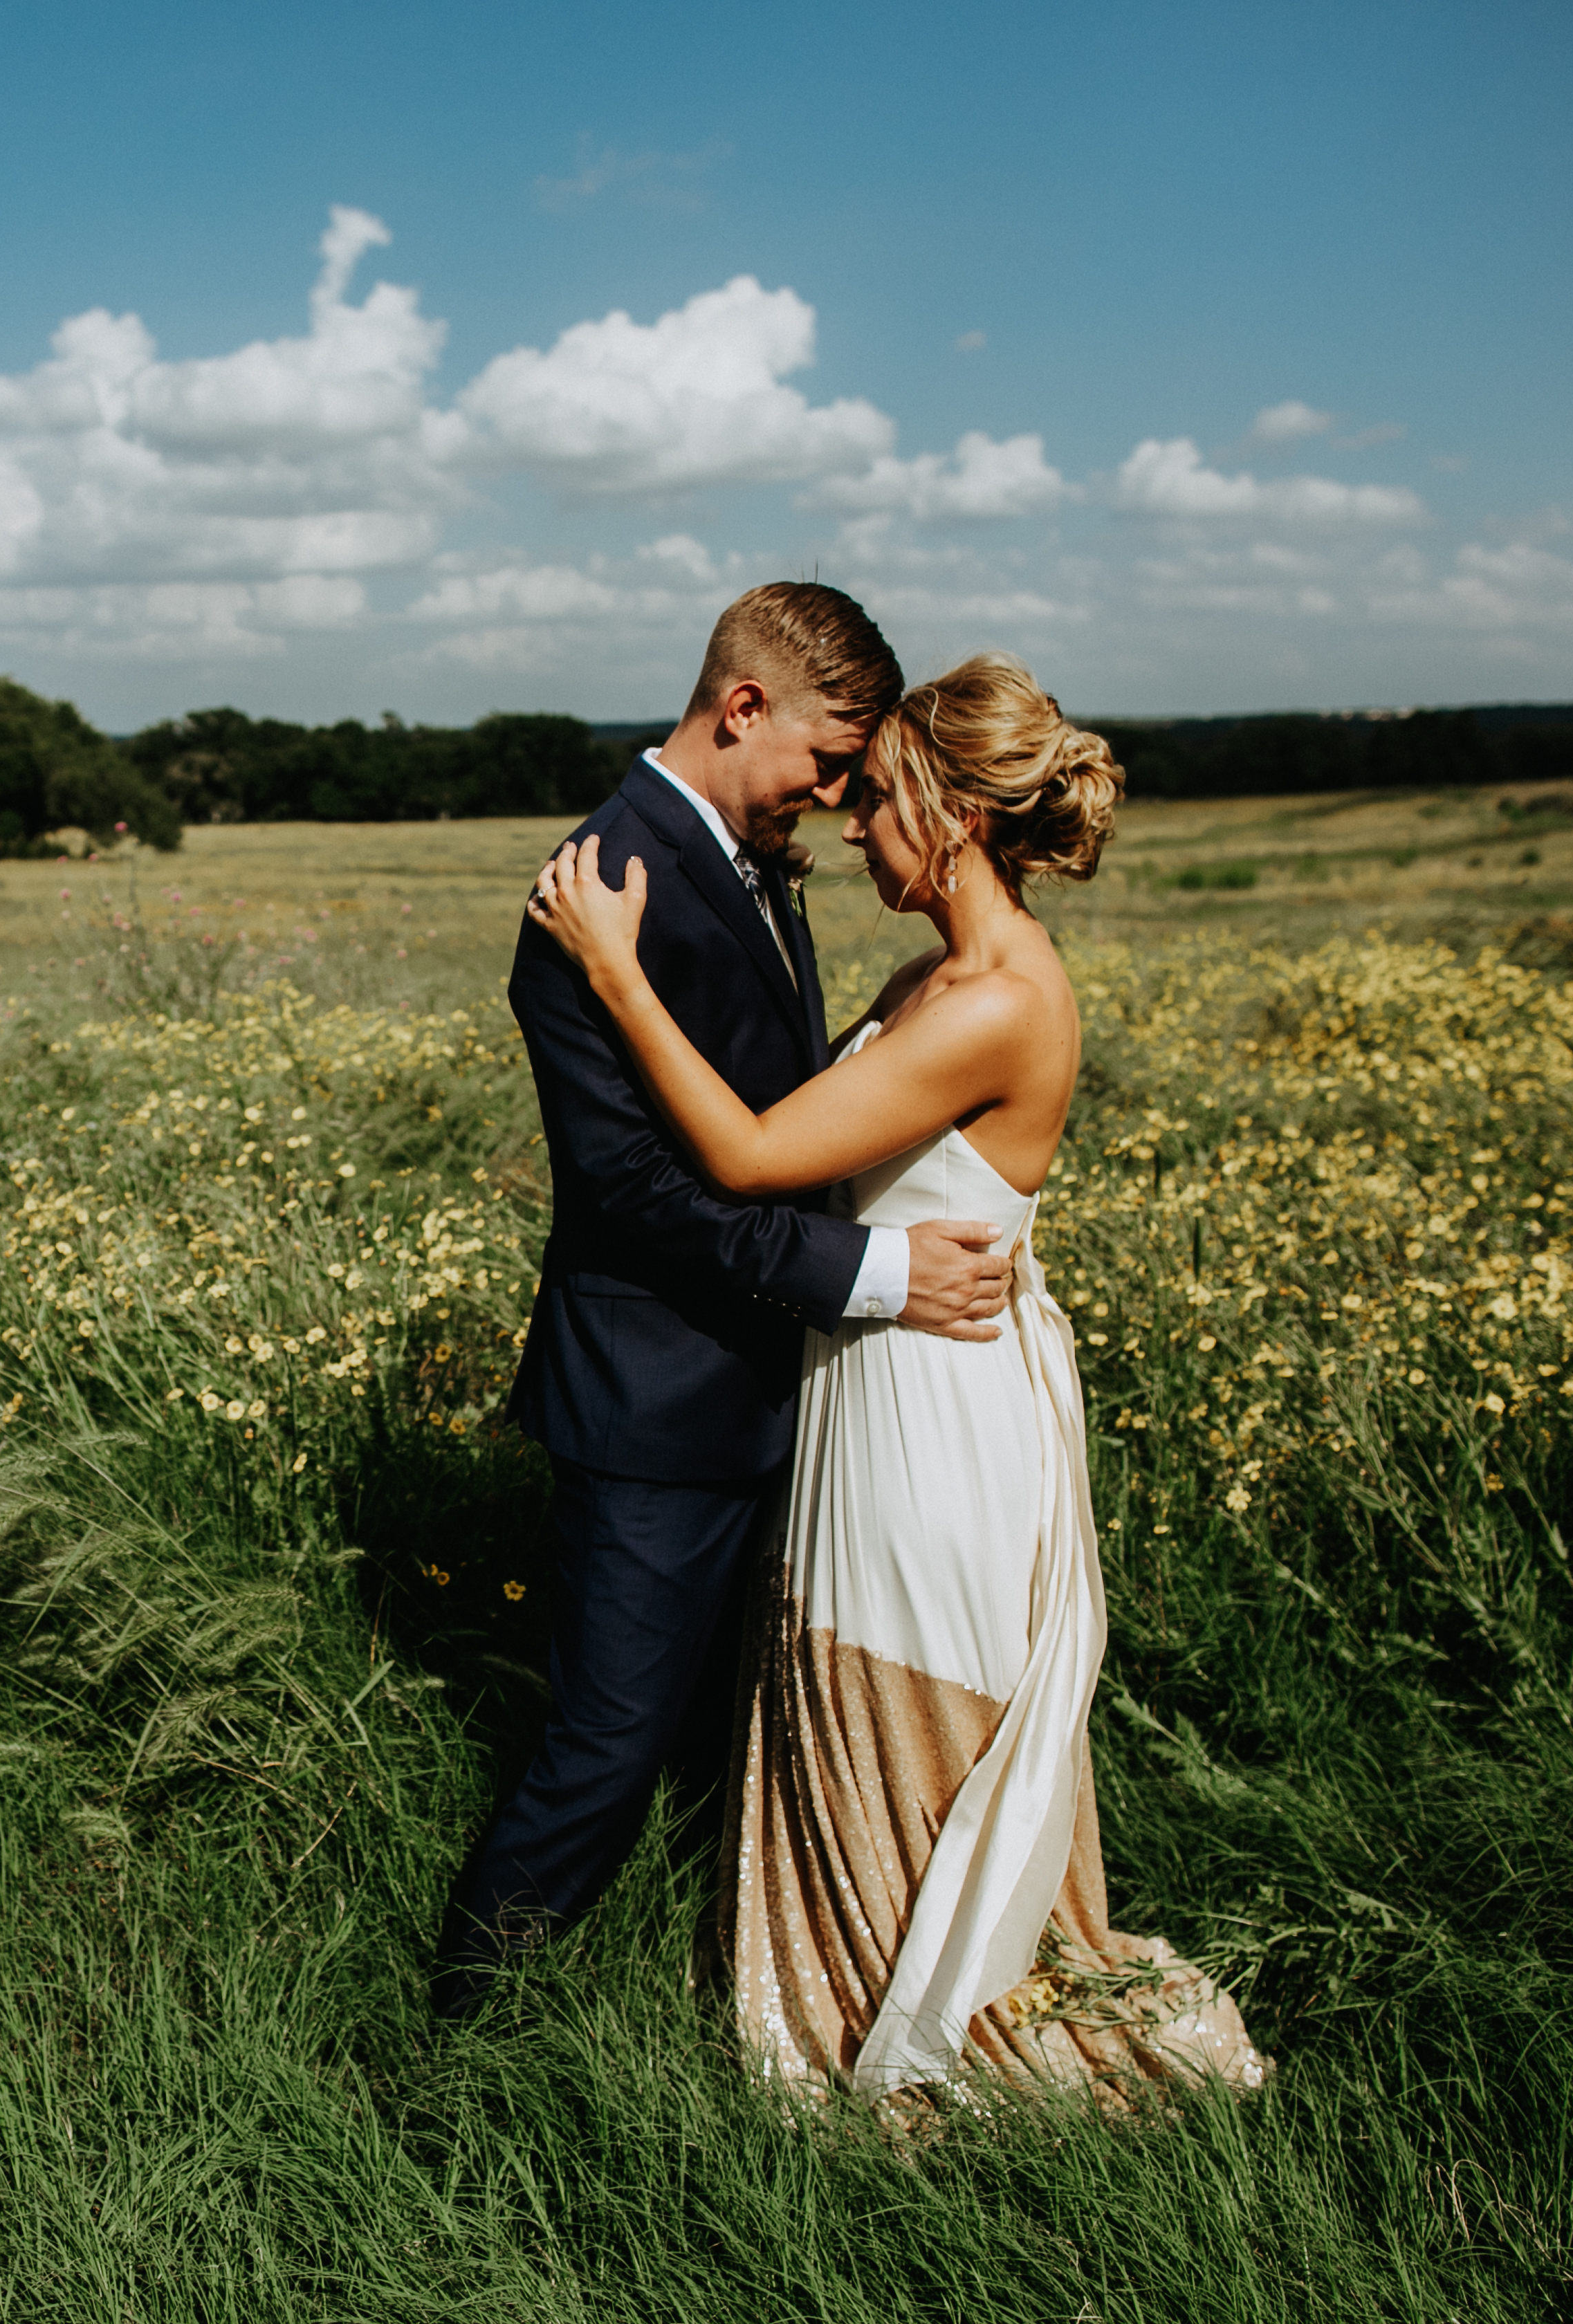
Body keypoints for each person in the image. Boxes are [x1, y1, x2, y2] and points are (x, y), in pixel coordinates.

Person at [522, 648, 1269, 2107]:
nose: (852, 823)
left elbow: (749, 1157)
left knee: (906, 1701)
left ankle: (921, 2021)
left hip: (938, 1412)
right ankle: (849, 1982)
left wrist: (615, 971)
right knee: (846, 1685)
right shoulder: (938, 973)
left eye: (877, 800)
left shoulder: (994, 1001)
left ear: (956, 812)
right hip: (879, 1381)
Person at [432, 583, 1016, 2022]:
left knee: (725, 1733)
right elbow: (635, 1193)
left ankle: (712, 1991)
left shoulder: (748, 851)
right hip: (653, 1399)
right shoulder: (597, 890)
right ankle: (460, 2033)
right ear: (740, 706)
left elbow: (784, 1112)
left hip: (769, 1384)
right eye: (826, 758)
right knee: (606, 1746)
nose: (833, 799)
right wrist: (876, 1279)